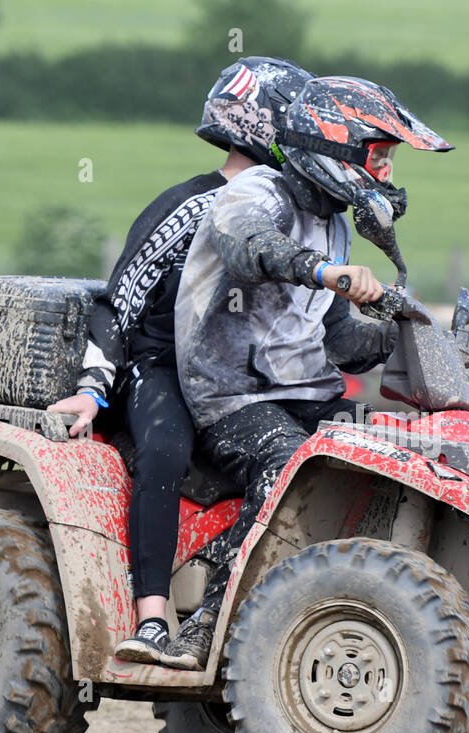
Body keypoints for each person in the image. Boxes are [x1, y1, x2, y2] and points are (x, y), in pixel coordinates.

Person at [158, 75, 453, 671]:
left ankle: (365, 596)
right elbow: (250, 247)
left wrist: (402, 330)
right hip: (233, 398)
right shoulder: (255, 192)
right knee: (290, 462)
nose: (388, 174)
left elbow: (339, 341)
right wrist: (327, 273)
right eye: (381, 157)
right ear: (333, 146)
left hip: (308, 394)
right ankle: (206, 621)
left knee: (408, 450)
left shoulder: (336, 225)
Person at [45, 57, 313, 666]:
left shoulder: (292, 223)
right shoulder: (190, 205)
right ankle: (154, 620)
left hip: (240, 381)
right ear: (268, 131)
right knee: (164, 448)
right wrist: (92, 391)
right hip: (161, 365)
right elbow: (119, 302)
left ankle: (251, 603)